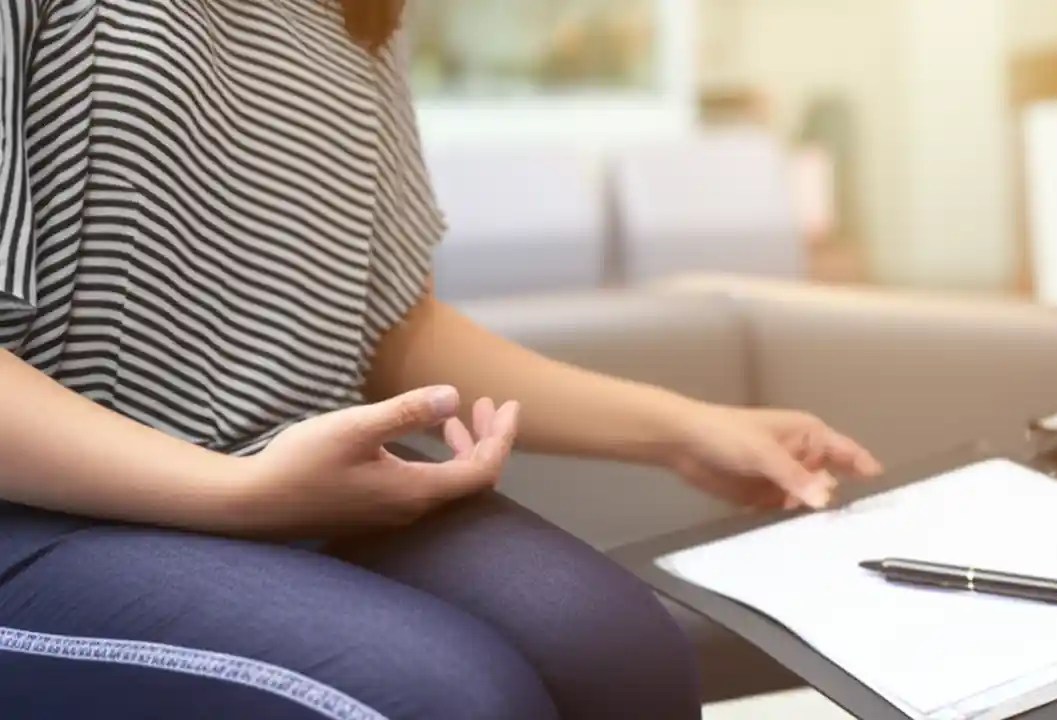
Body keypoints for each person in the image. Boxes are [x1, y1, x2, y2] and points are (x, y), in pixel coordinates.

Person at [0, 1, 881, 718]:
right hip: (47, 513)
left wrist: (684, 430)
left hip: (284, 483)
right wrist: (238, 496)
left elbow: (395, 329)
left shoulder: (358, 15)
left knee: (625, 657)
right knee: (445, 701)